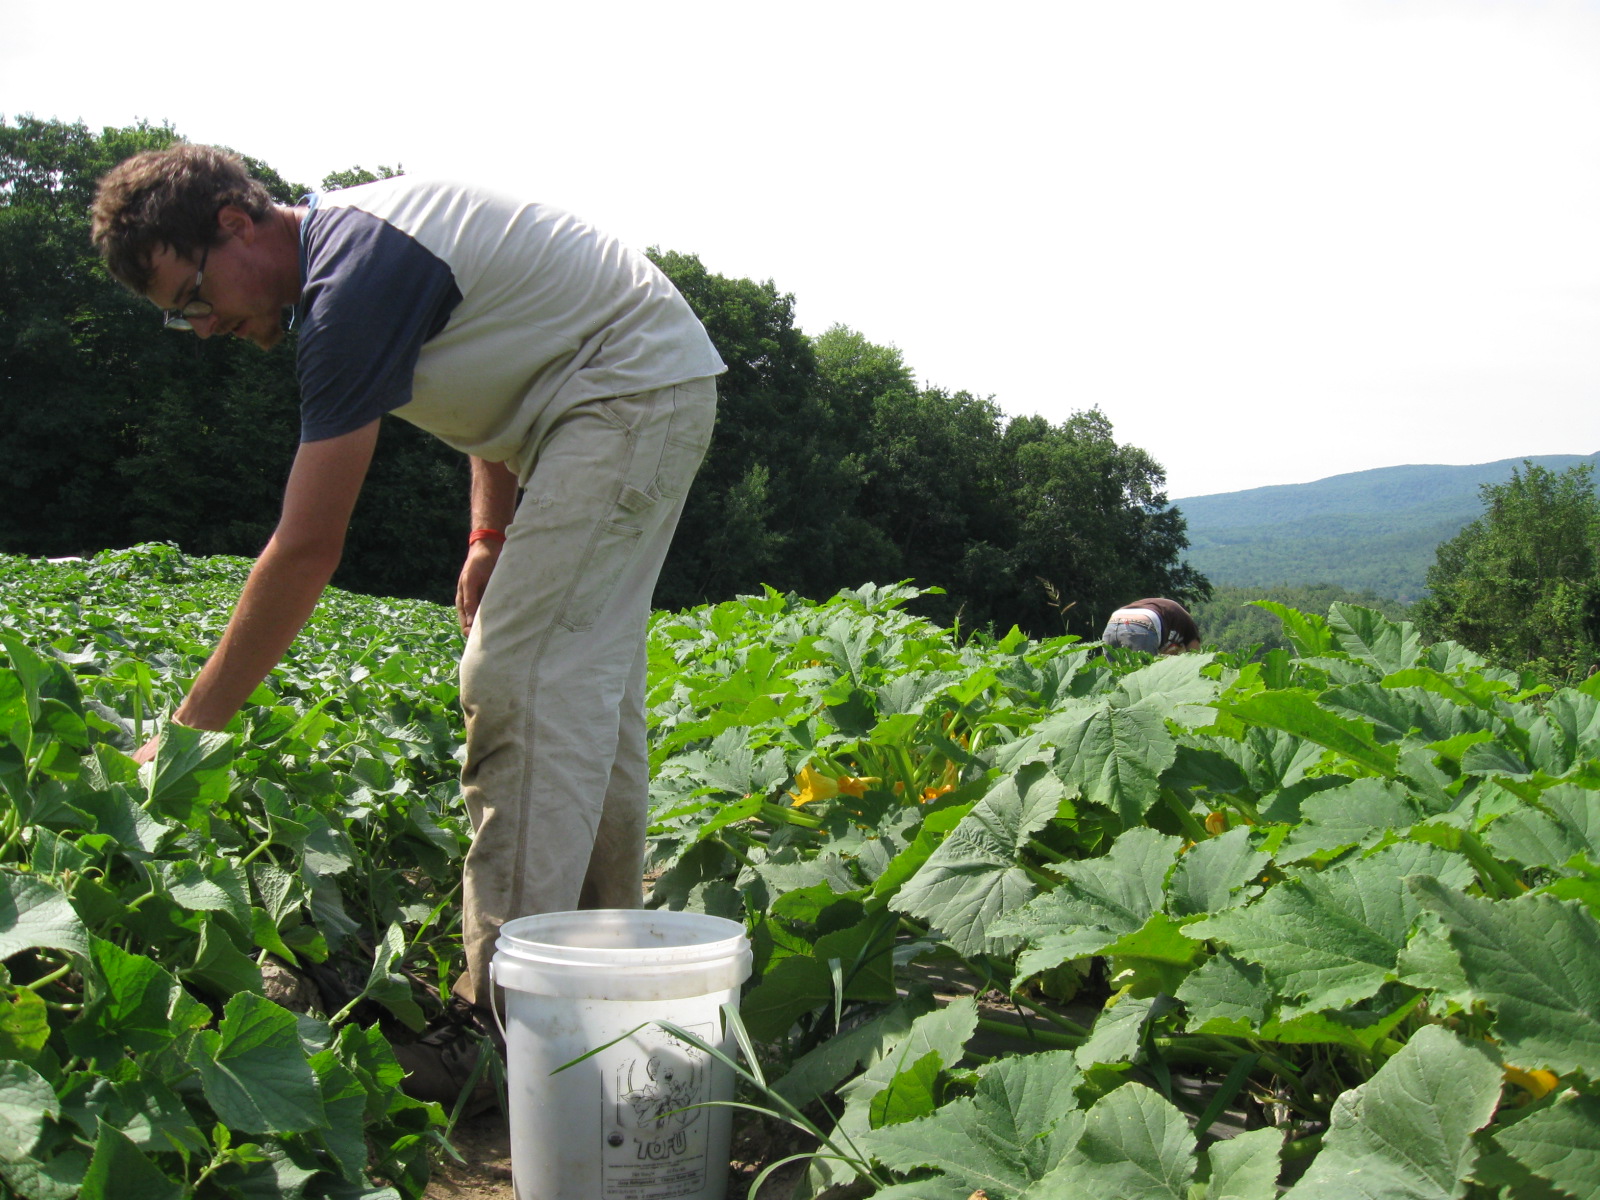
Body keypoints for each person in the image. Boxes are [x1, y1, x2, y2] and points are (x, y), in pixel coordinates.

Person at [90, 144, 725, 1102]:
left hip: (622, 391)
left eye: (191, 296)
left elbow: (306, 548)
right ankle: (599, 982)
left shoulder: (352, 281)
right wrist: (488, 528)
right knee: (590, 698)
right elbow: (498, 381)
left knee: (514, 678)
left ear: (234, 223)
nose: (204, 326)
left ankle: (502, 1024)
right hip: (604, 395)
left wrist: (184, 737)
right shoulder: (362, 255)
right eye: (181, 319)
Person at [1101, 597, 1201, 655]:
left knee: (1116, 679)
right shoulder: (1190, 627)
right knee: (1144, 677)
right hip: (1141, 626)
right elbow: (1195, 657)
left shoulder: (1171, 616)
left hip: (1112, 623)